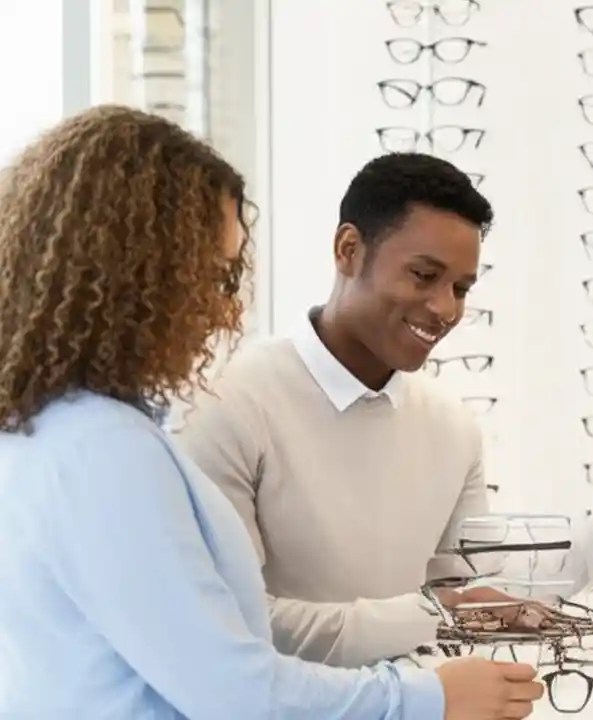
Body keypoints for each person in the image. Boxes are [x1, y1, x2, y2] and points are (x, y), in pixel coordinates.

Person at [0, 105, 543, 719]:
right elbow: (232, 688)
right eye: (212, 275)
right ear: (138, 272)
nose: (220, 308)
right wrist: (426, 699)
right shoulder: (106, 449)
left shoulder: (56, 429)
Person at [172, 151, 593, 668]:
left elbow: (477, 598)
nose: (446, 308)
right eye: (424, 276)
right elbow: (231, 626)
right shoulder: (230, 404)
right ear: (348, 250)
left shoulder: (450, 427)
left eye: (461, 288)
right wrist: (435, 615)